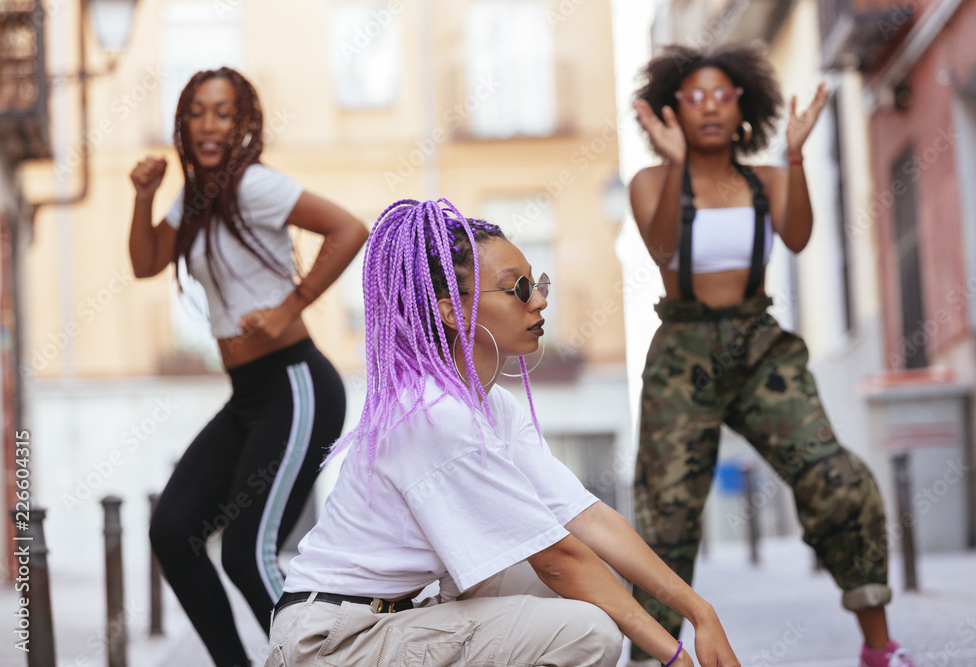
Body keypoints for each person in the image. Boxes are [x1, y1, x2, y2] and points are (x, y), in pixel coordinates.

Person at [265, 198, 741, 667]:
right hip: (331, 645)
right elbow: (559, 559)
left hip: (384, 623)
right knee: (587, 633)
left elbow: (587, 520)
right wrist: (675, 658)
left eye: (537, 282)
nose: (539, 299)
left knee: (603, 574)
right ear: (453, 312)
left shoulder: (493, 407)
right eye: (518, 287)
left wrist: (701, 612)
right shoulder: (433, 416)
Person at [628, 43, 914, 667]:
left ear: (742, 108)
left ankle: (880, 647)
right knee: (666, 515)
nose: (708, 107)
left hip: (760, 349)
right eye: (693, 96)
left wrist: (794, 154)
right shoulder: (651, 181)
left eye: (722, 95)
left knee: (836, 479)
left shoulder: (770, 178)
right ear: (670, 108)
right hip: (682, 355)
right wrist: (676, 166)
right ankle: (654, 657)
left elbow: (800, 235)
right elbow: (662, 251)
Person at [127, 67, 368, 667]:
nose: (209, 124)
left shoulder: (254, 185)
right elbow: (145, 262)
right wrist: (142, 196)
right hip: (249, 397)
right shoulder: (196, 196)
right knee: (173, 530)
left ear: (244, 125)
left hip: (296, 385)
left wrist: (291, 306)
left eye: (224, 112)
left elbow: (348, 228)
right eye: (197, 112)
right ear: (183, 122)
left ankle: (323, 661)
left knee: (246, 552)